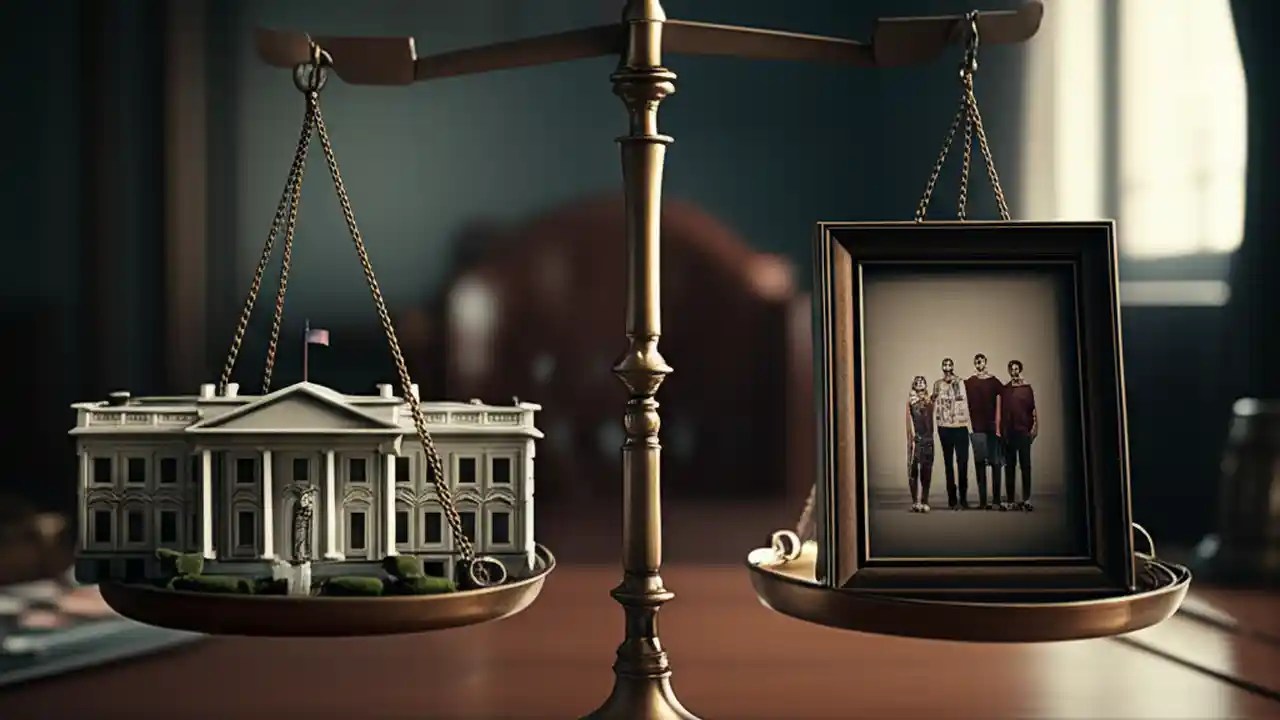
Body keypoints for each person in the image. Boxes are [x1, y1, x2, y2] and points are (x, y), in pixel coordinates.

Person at [996, 359, 1038, 511]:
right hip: (1009, 433)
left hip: (1023, 432)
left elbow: (1033, 409)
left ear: (1020, 370)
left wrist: (1035, 428)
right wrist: (999, 430)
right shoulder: (1005, 389)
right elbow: (1000, 409)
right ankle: (1011, 499)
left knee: (1025, 466)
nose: (1014, 371)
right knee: (1010, 467)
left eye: (1016, 369)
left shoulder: (1027, 389)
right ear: (1009, 371)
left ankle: (1027, 498)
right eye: (1011, 369)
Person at [964, 353, 1005, 510]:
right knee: (980, 463)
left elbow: (1005, 396)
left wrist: (1001, 425)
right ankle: (983, 501)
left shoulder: (994, 381)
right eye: (977, 361)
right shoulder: (970, 382)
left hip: (993, 427)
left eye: (981, 361)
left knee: (995, 463)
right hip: (977, 427)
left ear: (986, 363)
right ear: (975, 363)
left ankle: (995, 500)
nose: (979, 363)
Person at [932, 358, 972, 509]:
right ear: (942, 367)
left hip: (960, 426)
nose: (947, 368)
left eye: (950, 365)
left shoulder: (960, 382)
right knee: (948, 463)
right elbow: (933, 400)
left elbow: (963, 399)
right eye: (945, 365)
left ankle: (963, 498)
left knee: (962, 463)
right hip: (944, 427)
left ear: (953, 367)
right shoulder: (937, 384)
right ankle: (952, 498)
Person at [905, 376, 935, 512]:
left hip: (929, 439)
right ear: (914, 386)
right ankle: (915, 501)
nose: (920, 384)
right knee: (914, 470)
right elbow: (908, 421)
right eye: (917, 383)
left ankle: (924, 500)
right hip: (917, 439)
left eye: (922, 382)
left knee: (927, 470)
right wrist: (910, 439)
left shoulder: (930, 401)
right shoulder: (911, 402)